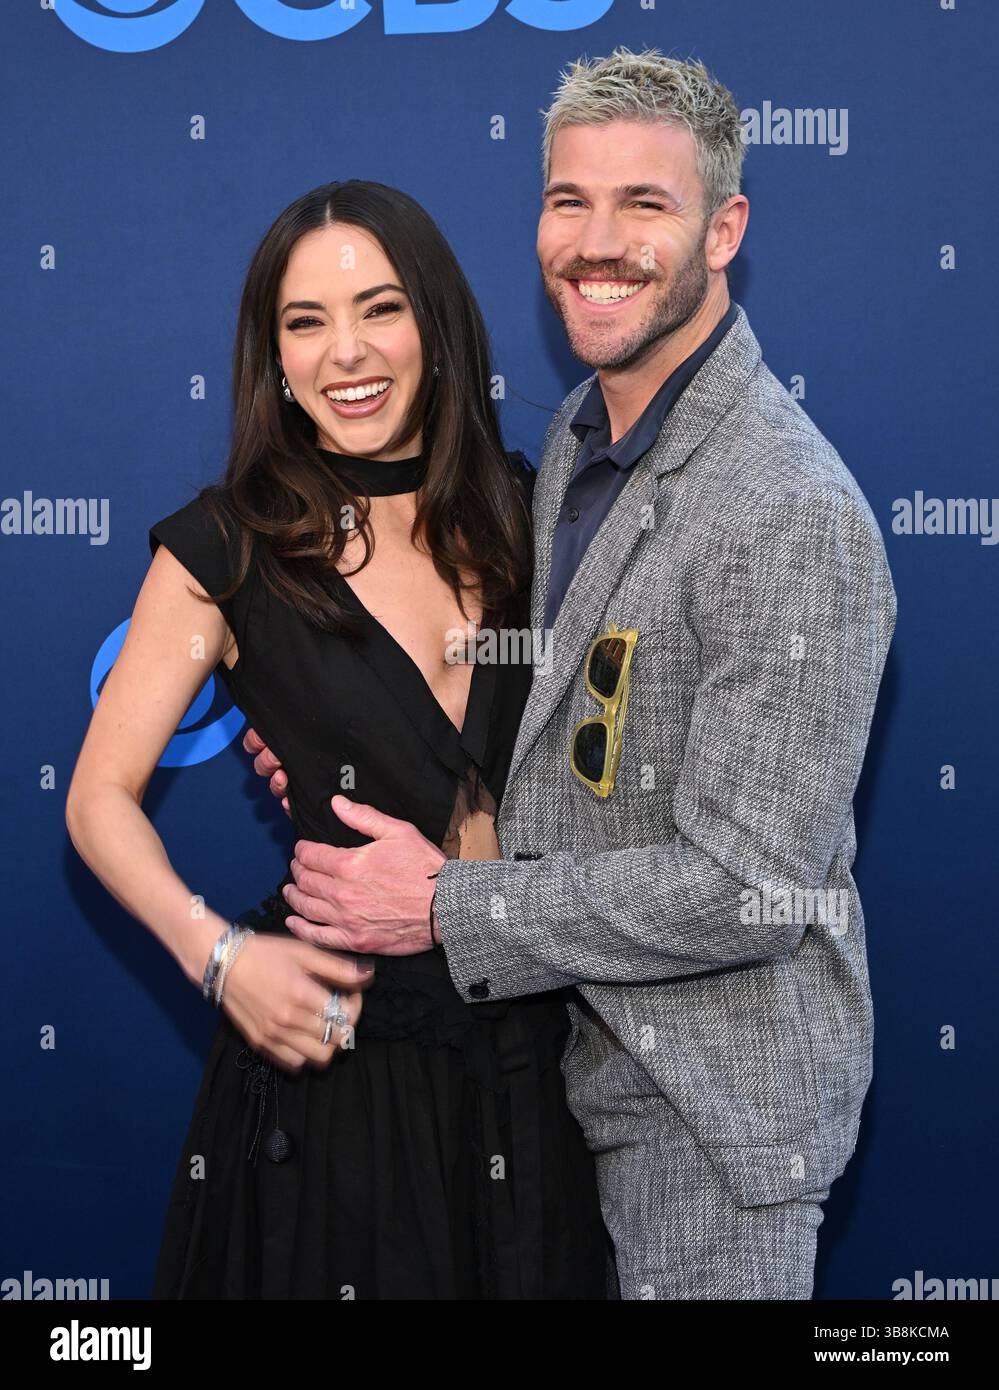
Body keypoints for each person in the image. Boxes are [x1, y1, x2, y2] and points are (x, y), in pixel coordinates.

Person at [246, 49, 898, 1300]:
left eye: (644, 205)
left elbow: (747, 886)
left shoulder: (788, 510)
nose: (596, 245)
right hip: (557, 1086)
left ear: (725, 230)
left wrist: (440, 906)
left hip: (711, 1130)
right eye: (568, 201)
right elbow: (547, 712)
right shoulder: (578, 436)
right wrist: (352, 733)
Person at [65, 179, 610, 1300]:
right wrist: (220, 960)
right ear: (271, 357)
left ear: (439, 327)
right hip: (340, 1070)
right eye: (304, 322)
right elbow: (97, 800)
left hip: (534, 1061)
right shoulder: (229, 544)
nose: (344, 353)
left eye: (380, 308)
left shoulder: (529, 513)